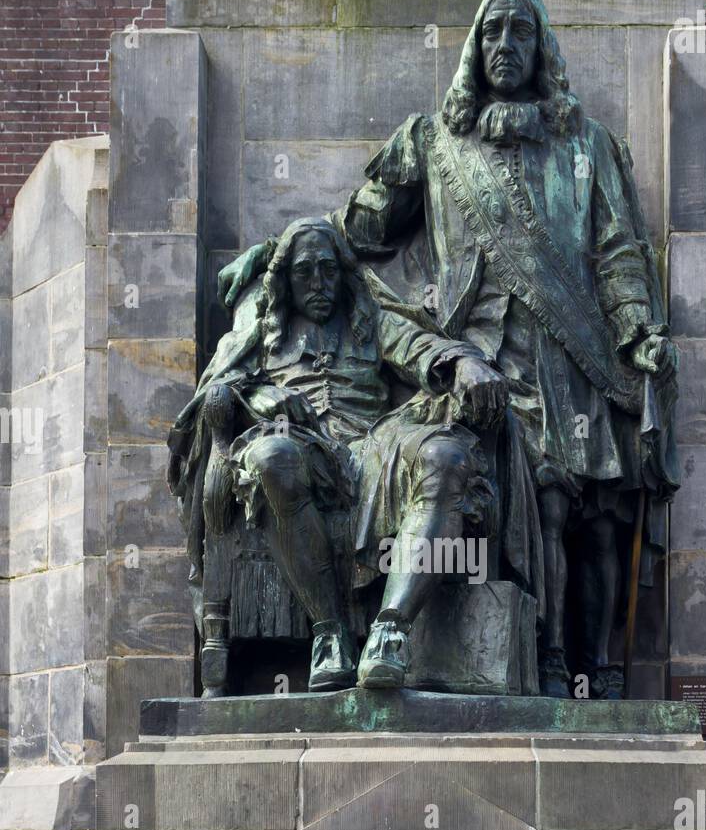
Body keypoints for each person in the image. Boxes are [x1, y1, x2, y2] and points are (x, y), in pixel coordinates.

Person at [220, 0, 680, 699]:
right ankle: (521, 655)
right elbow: (359, 229)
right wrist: (276, 254)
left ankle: (586, 670)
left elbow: (619, 252)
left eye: (519, 33)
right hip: (478, 358)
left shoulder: (589, 147)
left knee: (582, 511)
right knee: (521, 500)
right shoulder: (432, 142)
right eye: (492, 32)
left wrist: (637, 331)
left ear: (541, 48)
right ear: (473, 48)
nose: (505, 47)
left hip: (570, 354)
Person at [169, 216, 541, 691]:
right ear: (285, 280)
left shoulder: (368, 321)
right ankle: (330, 636)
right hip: (299, 445)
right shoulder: (262, 335)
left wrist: (464, 361)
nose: (319, 284)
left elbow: (419, 345)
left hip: (372, 444)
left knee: (446, 458)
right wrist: (258, 398)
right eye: (304, 273)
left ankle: (390, 633)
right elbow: (215, 392)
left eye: (328, 270)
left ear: (344, 274)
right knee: (270, 458)